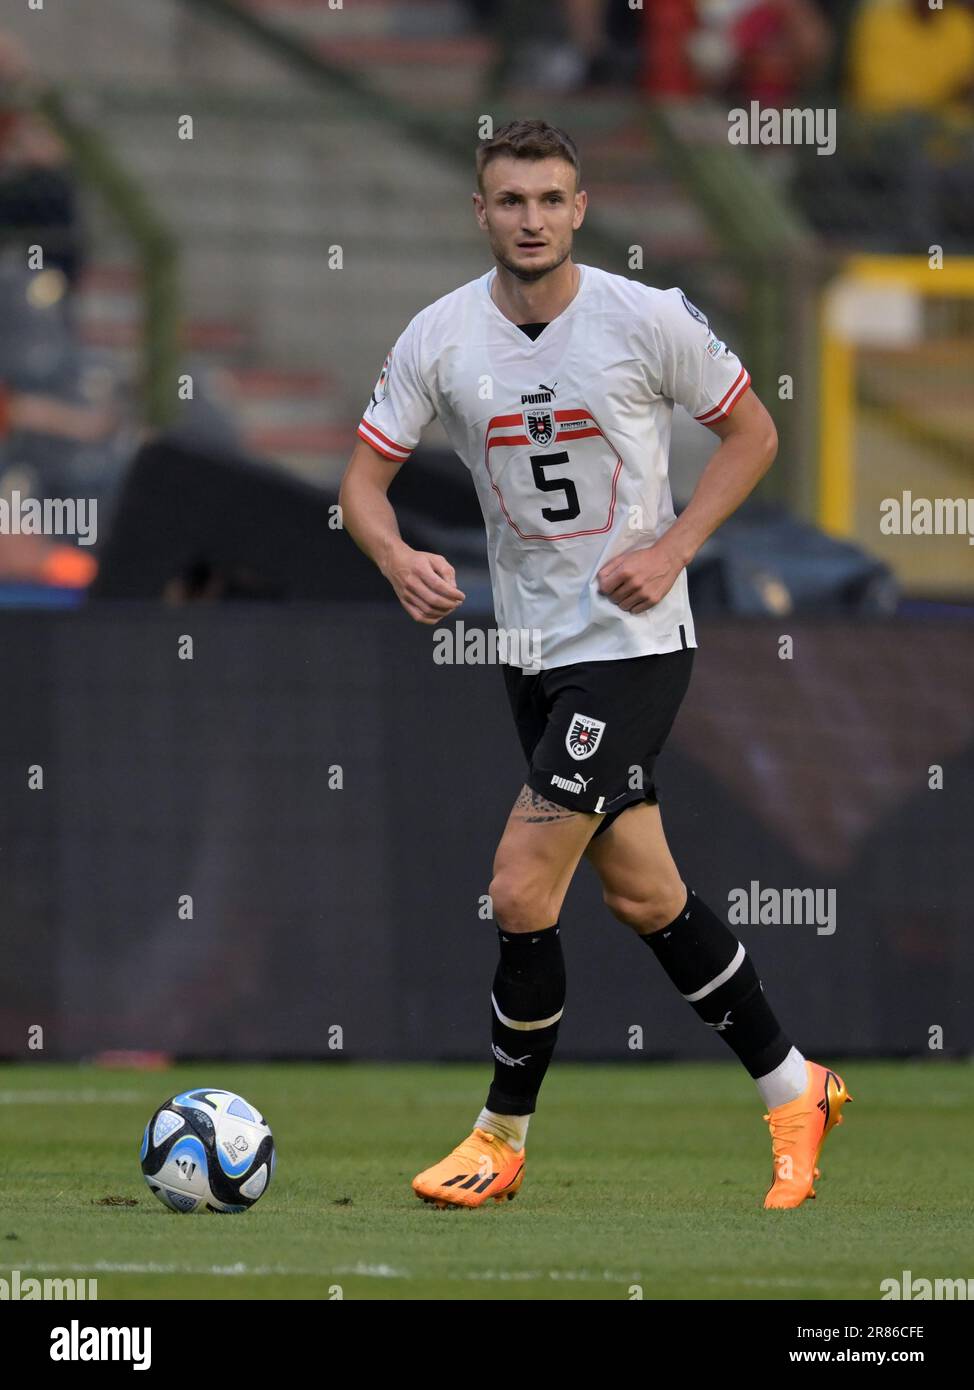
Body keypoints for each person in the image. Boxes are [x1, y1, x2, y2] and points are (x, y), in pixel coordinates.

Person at [339, 119, 852, 1212]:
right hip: (529, 652)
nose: (531, 218)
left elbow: (753, 434)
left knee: (519, 885)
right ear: (479, 212)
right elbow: (360, 486)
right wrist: (392, 556)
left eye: (551, 199)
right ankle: (793, 1083)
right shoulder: (439, 335)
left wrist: (669, 548)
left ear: (580, 210)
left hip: (631, 646)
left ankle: (498, 1137)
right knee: (644, 893)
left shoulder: (645, 317)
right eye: (510, 200)